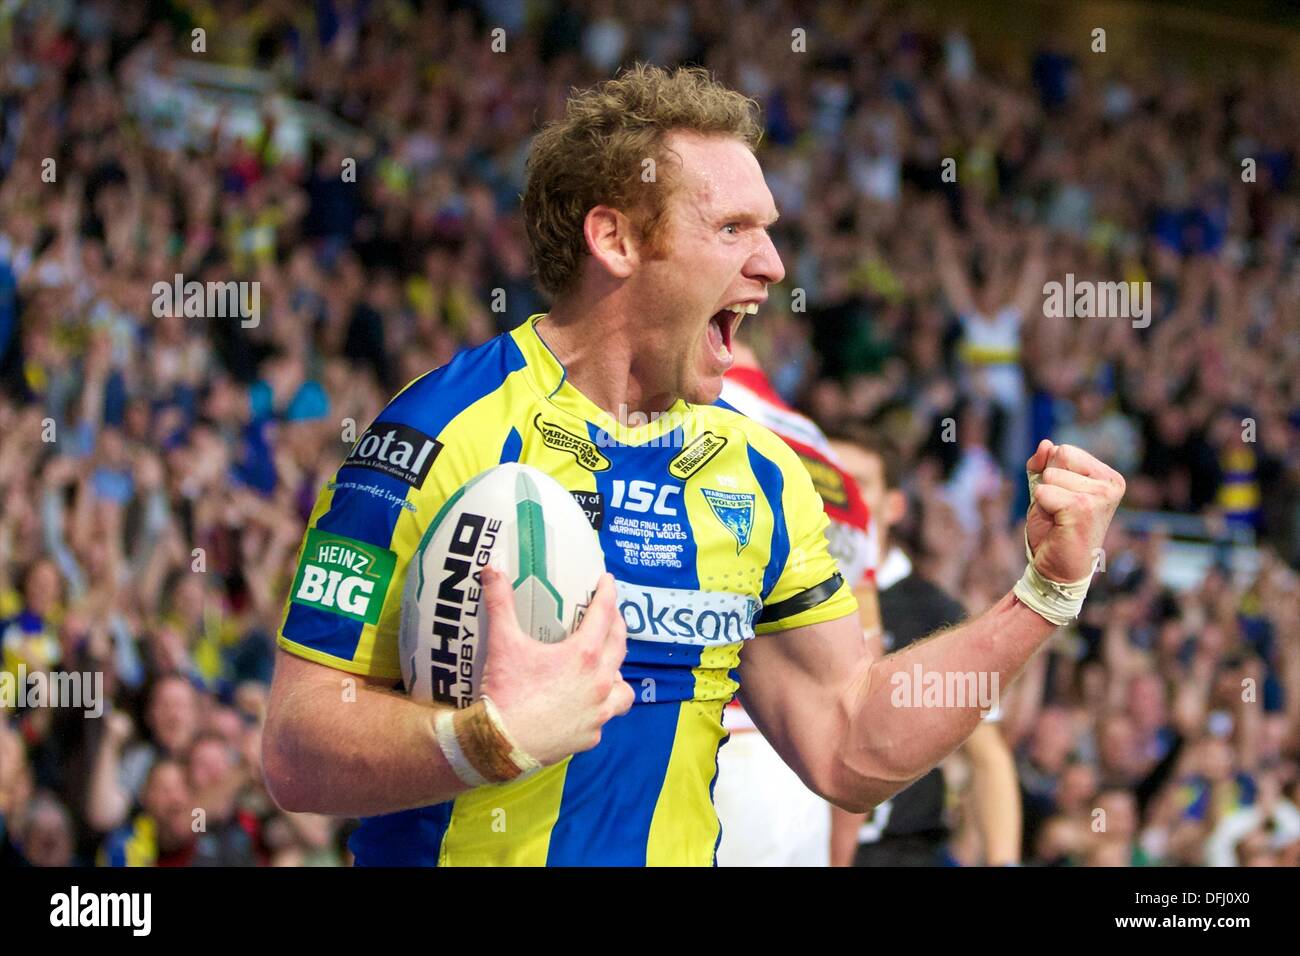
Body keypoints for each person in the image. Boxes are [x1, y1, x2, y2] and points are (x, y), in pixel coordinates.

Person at [261, 64, 1125, 866]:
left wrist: (1046, 592)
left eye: (769, 231)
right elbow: (297, 750)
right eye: (732, 228)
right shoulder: (435, 433)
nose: (773, 264)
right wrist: (490, 738)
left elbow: (849, 741)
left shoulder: (760, 473)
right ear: (617, 240)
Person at [713, 342, 881, 866]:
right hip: (801, 775)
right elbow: (861, 670)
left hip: (696, 746)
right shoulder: (836, 467)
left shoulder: (689, 414)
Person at [826, 429, 1022, 866]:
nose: (836, 494)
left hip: (900, 853)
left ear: (894, 505)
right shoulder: (775, 596)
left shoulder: (934, 611)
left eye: (856, 482)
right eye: (823, 477)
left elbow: (987, 759)